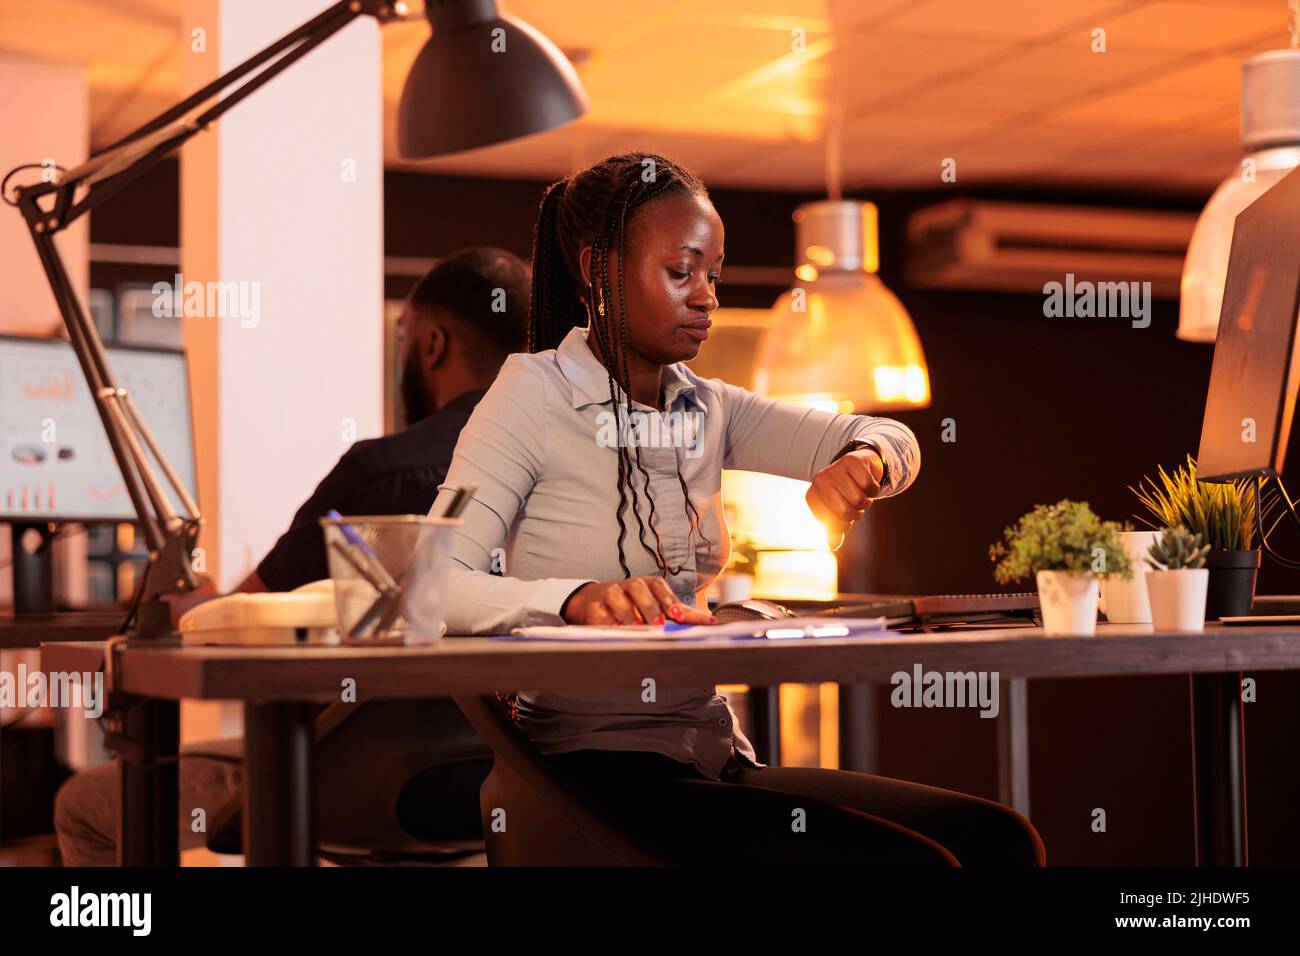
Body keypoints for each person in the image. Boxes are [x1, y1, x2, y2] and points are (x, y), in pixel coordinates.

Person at [429, 154, 1045, 866]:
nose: (707, 298)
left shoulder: (706, 407)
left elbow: (893, 437)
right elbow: (437, 583)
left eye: (714, 276)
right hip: (594, 776)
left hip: (711, 754)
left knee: (996, 840)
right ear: (598, 270)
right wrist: (577, 600)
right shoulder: (532, 396)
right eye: (681, 272)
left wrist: (865, 462)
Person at [53, 247, 529, 866]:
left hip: (350, 785)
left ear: (433, 345)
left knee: (83, 806)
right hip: (512, 785)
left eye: (406, 338)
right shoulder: (572, 476)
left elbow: (232, 619)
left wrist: (182, 601)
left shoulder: (378, 473)